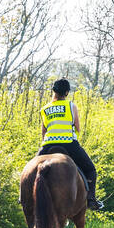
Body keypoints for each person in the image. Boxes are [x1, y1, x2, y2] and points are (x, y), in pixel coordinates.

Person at [37, 79, 104, 210]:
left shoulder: (44, 109)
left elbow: (43, 132)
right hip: (68, 143)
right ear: (67, 92)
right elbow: (78, 128)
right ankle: (91, 200)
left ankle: (23, 197)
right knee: (91, 170)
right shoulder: (71, 106)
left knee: (30, 169)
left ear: (53, 91)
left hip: (48, 145)